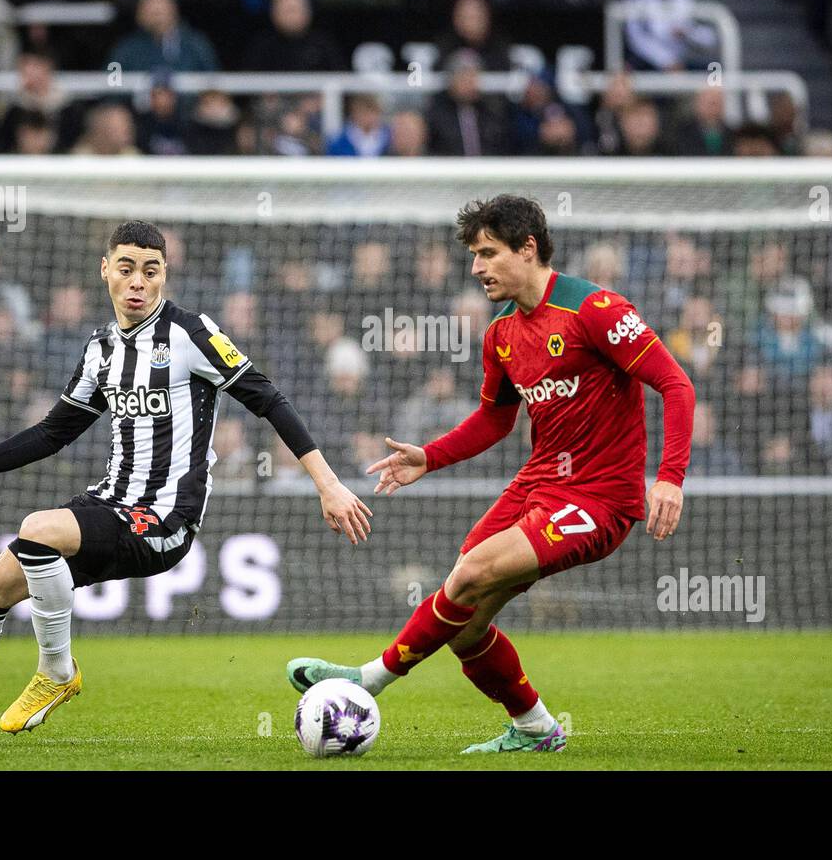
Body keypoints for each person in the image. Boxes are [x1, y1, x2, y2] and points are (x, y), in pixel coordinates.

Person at [0, 221, 372, 746]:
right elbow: (54, 432)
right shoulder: (101, 348)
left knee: (38, 528)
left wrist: (329, 484)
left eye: (151, 270)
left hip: (164, 521)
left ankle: (57, 672)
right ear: (106, 271)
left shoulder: (190, 334)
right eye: (127, 269)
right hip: (109, 502)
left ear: (164, 276)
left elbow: (269, 399)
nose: (138, 281)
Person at [286, 195, 694, 753]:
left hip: (600, 499)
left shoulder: (596, 309)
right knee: (467, 621)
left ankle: (369, 680)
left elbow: (676, 384)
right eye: (474, 256)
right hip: (538, 484)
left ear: (528, 249)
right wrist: (429, 457)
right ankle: (535, 728)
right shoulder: (502, 332)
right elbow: (495, 420)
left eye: (487, 253)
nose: (476, 268)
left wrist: (669, 476)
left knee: (471, 572)